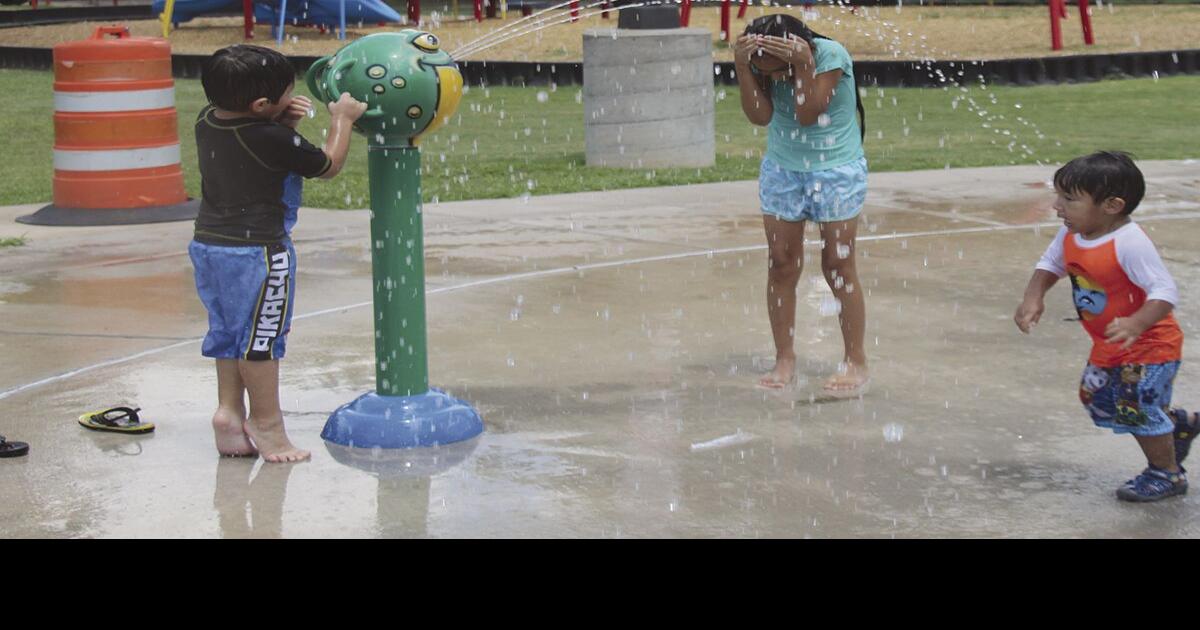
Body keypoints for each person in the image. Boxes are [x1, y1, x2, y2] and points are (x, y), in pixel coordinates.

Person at [190, 44, 366, 462]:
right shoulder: (271, 136)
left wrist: (280, 118)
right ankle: (268, 426)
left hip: (210, 246)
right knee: (262, 342)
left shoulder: (208, 119)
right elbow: (328, 164)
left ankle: (229, 414)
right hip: (259, 254)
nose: (291, 99)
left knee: (231, 333)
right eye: (286, 94)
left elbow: (254, 150)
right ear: (261, 104)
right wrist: (341, 119)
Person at [1015, 151, 1197, 501]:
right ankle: (1178, 424)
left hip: (1150, 346)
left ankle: (1166, 474)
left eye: (1068, 199)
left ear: (1112, 205)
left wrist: (1136, 322)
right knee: (1097, 398)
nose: (1057, 206)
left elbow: (1165, 291)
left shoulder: (1129, 242)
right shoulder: (1074, 233)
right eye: (1058, 196)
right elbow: (1050, 263)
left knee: (1135, 409)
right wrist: (1033, 297)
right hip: (1111, 344)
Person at [734, 14, 870, 396]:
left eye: (778, 72)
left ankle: (855, 360)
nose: (774, 78)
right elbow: (760, 117)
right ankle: (785, 357)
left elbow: (808, 114)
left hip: (836, 170)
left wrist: (804, 64)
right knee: (781, 264)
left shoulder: (830, 55)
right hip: (784, 170)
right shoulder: (762, 61)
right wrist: (744, 68)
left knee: (838, 265)